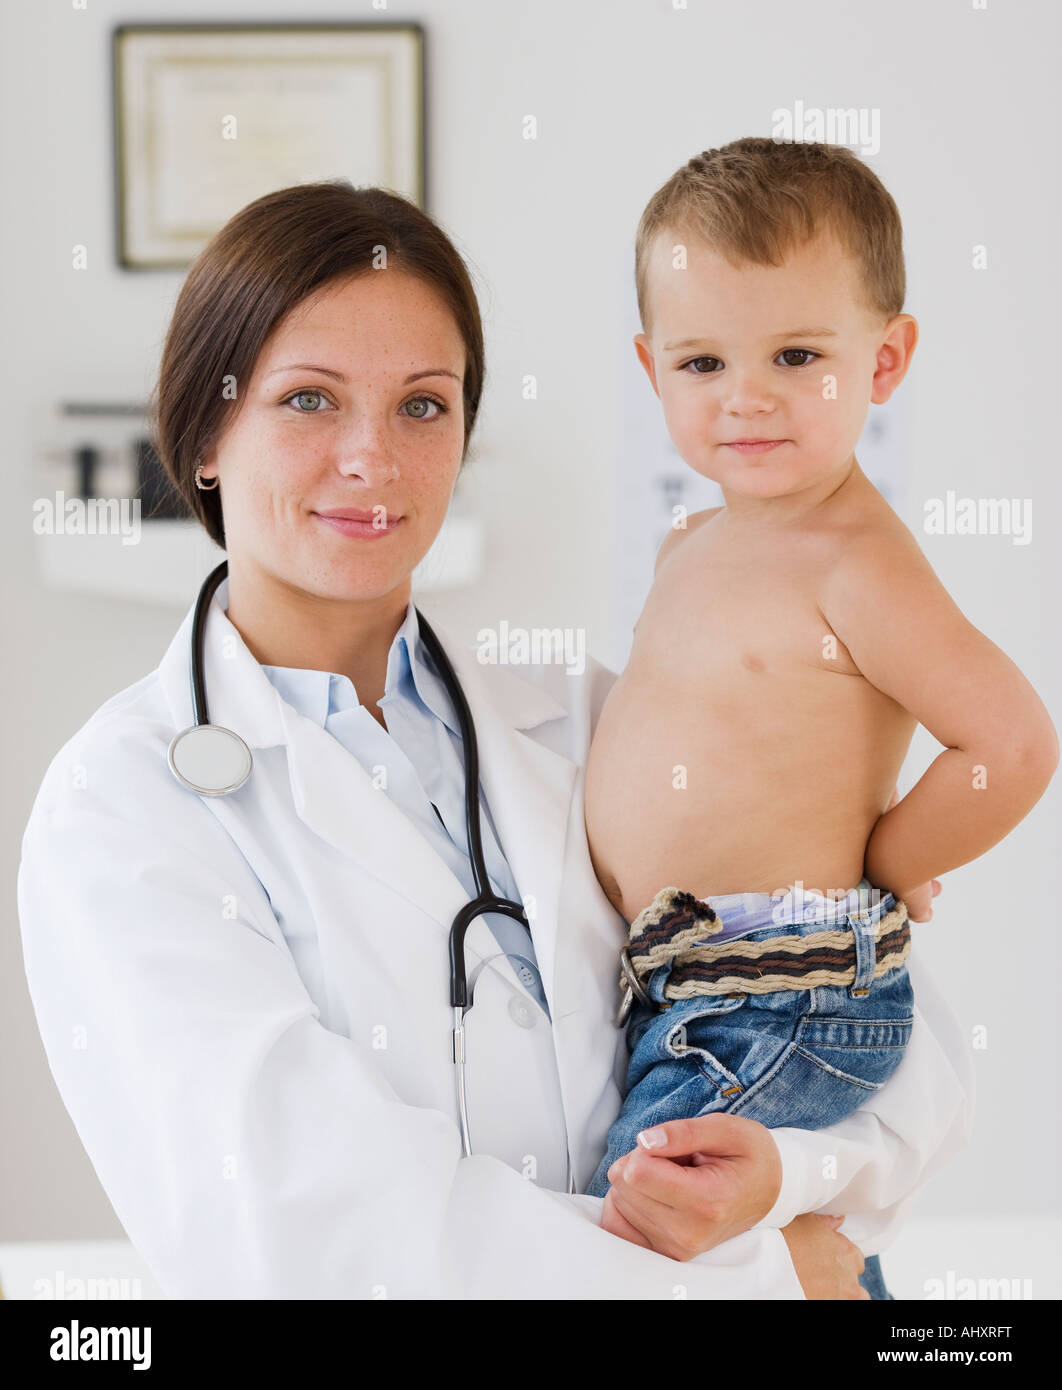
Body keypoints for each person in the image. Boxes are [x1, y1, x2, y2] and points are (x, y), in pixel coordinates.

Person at [18, 180, 973, 1300]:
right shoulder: (123, 805)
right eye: (309, 399)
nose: (371, 456)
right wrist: (761, 1282)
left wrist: (790, 1172)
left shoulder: (595, 717)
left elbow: (904, 1042)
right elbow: (309, 1233)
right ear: (206, 433)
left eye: (423, 404)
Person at [584, 140, 1058, 1295]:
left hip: (773, 990)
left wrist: (885, 858)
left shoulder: (856, 560)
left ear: (885, 358)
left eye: (797, 353)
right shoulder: (691, 544)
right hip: (689, 984)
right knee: (693, 1235)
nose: (746, 394)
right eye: (704, 360)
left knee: (649, 1236)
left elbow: (1015, 741)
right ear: (653, 371)